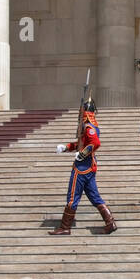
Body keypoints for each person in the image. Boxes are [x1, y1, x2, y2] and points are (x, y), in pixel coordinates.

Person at [49, 98, 116, 235]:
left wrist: (82, 154)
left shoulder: (89, 126)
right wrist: (66, 147)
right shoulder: (88, 126)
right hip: (89, 167)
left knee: (73, 196)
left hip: (82, 167)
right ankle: (110, 222)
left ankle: (65, 227)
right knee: (94, 197)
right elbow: (81, 144)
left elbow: (95, 144)